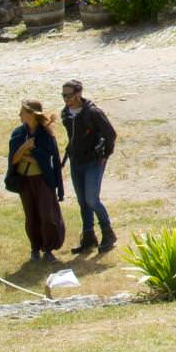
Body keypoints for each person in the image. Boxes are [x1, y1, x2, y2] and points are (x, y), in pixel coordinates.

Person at [61, 81, 118, 257]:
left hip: (93, 162)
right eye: (63, 95)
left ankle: (108, 233)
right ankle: (88, 236)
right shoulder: (66, 114)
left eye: (68, 95)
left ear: (78, 94)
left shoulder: (93, 113)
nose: (66, 99)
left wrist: (103, 156)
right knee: (82, 201)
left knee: (92, 199)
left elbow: (111, 134)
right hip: (76, 161)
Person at [6, 100, 66, 263]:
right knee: (31, 215)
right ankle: (35, 248)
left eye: (22, 112)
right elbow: (14, 159)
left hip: (42, 180)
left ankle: (48, 249)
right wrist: (25, 147)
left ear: (31, 114)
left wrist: (34, 158)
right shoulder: (18, 134)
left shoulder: (46, 134)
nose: (19, 115)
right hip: (25, 181)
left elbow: (49, 160)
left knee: (47, 215)